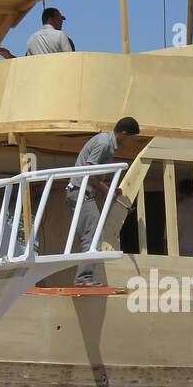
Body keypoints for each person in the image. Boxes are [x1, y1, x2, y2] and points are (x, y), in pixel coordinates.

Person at [66, 117, 140, 287]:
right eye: (130, 138)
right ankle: (83, 279)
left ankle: (84, 278)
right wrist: (106, 191)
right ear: (123, 134)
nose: (130, 142)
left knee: (90, 235)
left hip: (81, 192)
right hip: (80, 192)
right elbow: (89, 170)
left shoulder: (107, 142)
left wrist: (109, 188)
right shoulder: (104, 143)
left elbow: (94, 175)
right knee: (93, 236)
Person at [0, 7, 76, 59]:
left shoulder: (32, 38)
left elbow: (24, 63)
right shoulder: (61, 35)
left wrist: (9, 56)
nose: (61, 21)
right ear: (51, 19)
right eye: (59, 18)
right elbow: (72, 60)